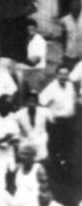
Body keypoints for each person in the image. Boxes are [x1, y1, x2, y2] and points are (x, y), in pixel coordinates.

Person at [40, 62, 77, 190]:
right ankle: (55, 179)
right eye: (61, 74)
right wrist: (50, 117)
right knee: (55, 150)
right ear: (57, 75)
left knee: (67, 151)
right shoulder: (51, 88)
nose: (63, 76)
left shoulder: (70, 85)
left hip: (69, 123)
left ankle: (67, 178)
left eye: (65, 74)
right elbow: (42, 102)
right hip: (56, 124)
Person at [14, 90, 49, 164]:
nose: (31, 104)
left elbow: (52, 125)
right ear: (26, 102)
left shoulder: (45, 112)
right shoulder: (18, 115)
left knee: (41, 164)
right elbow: (16, 131)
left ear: (37, 103)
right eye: (29, 101)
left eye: (34, 101)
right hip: (26, 144)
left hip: (40, 145)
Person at [23, 19, 48, 84]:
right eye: (28, 29)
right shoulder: (24, 39)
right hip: (25, 69)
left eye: (33, 29)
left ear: (36, 29)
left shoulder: (40, 41)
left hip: (37, 70)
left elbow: (35, 60)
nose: (31, 31)